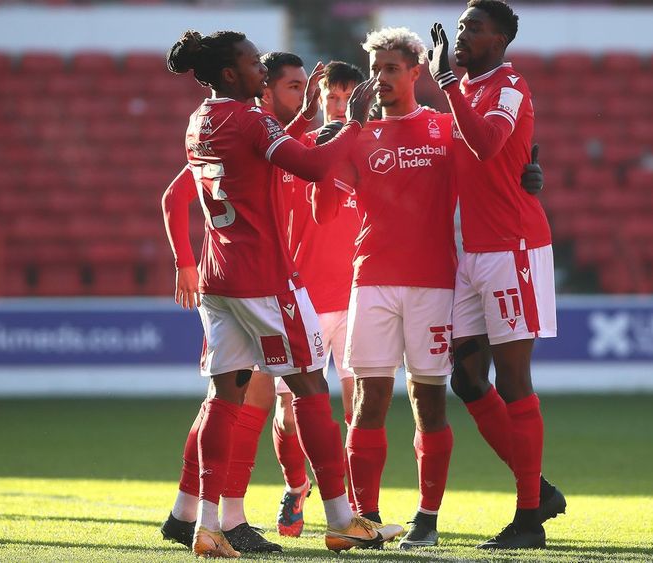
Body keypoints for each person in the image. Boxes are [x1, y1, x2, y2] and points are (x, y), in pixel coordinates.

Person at [160, 29, 401, 557]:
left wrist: (299, 123)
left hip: (219, 278)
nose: (259, 71)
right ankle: (341, 520)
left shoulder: (201, 119)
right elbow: (314, 166)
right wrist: (355, 123)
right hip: (264, 278)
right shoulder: (249, 119)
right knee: (312, 387)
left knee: (224, 399)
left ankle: (205, 526)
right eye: (251, 63)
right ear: (231, 73)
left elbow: (254, 159)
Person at [159, 50, 324, 554]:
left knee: (232, 401)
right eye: (294, 87)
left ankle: (189, 513)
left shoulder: (280, 136)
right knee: (241, 402)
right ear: (264, 90)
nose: (310, 97)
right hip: (263, 284)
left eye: (310, 88)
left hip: (308, 285)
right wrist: (185, 261)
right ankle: (228, 518)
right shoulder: (252, 135)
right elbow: (175, 196)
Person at [312, 27, 458, 550]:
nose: (381, 79)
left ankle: (427, 516)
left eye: (391, 69)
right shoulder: (360, 135)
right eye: (375, 70)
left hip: (434, 283)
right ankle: (366, 518)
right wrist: (340, 136)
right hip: (370, 280)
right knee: (367, 402)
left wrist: (529, 178)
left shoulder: (445, 129)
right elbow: (324, 210)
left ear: (416, 72)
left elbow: (489, 176)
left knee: (429, 402)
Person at [427, 0, 565, 549]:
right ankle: (541, 491)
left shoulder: (509, 86)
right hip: (471, 253)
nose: (462, 35)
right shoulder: (468, 90)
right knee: (464, 376)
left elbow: (485, 144)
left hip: (513, 247)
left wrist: (446, 83)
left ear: (501, 39)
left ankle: (528, 519)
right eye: (460, 26)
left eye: (474, 28)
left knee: (512, 381)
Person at [272, 60, 367, 538]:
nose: (339, 105)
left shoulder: (367, 155)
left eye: (349, 99)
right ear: (319, 98)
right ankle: (296, 486)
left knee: (359, 409)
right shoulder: (295, 151)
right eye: (332, 96)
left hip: (356, 299)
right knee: (289, 416)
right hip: (301, 301)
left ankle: (352, 504)